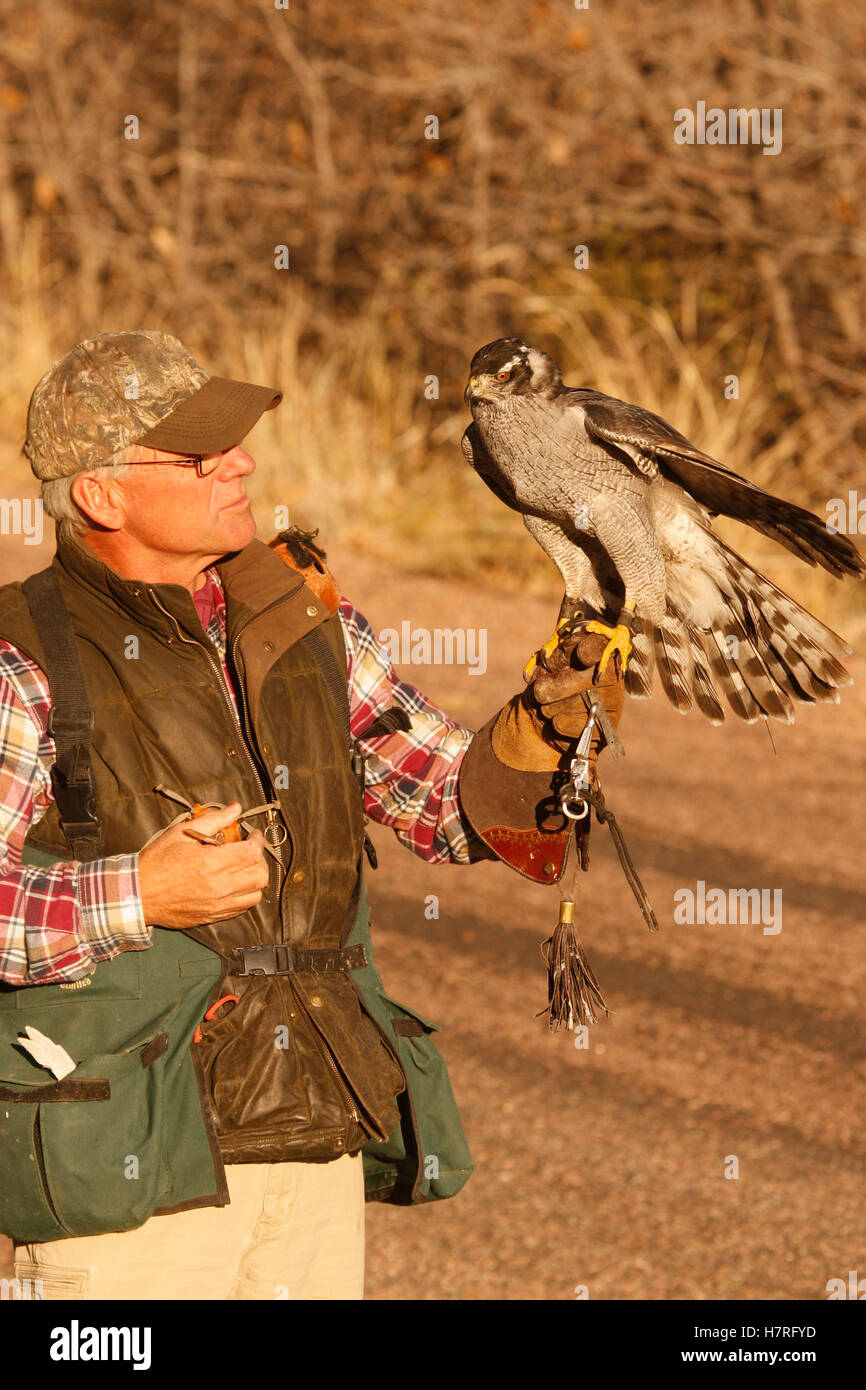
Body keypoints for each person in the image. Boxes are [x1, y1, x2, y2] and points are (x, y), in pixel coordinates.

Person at [0, 331, 623, 1300]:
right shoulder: (22, 657)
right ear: (100, 495)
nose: (242, 461)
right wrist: (138, 891)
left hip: (312, 1141)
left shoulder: (300, 620)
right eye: (200, 456)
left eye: (236, 442)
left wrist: (541, 728)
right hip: (126, 1176)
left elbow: (446, 806)